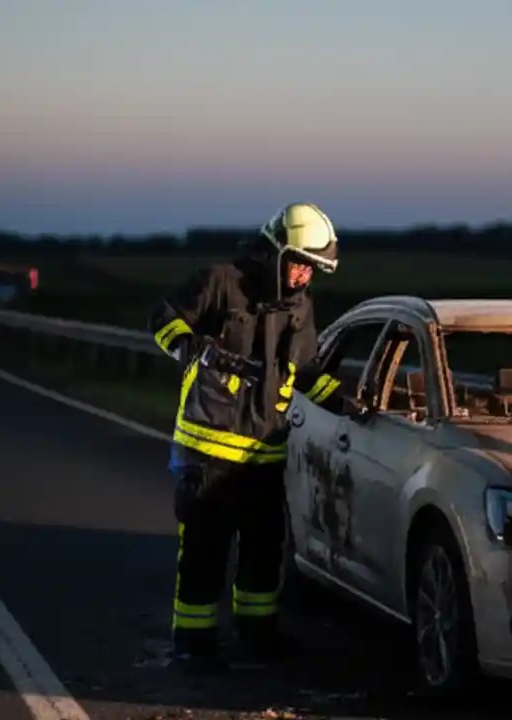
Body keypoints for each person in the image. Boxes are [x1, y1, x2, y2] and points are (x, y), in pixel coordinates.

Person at [147, 202, 342, 672]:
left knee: (264, 548)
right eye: (300, 264)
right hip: (209, 451)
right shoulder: (220, 282)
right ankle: (192, 642)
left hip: (266, 454)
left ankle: (258, 631)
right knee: (205, 549)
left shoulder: (300, 307)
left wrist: (346, 402)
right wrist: (188, 345)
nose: (304, 277)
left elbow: (305, 371)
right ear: (277, 252)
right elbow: (163, 317)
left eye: (312, 269)